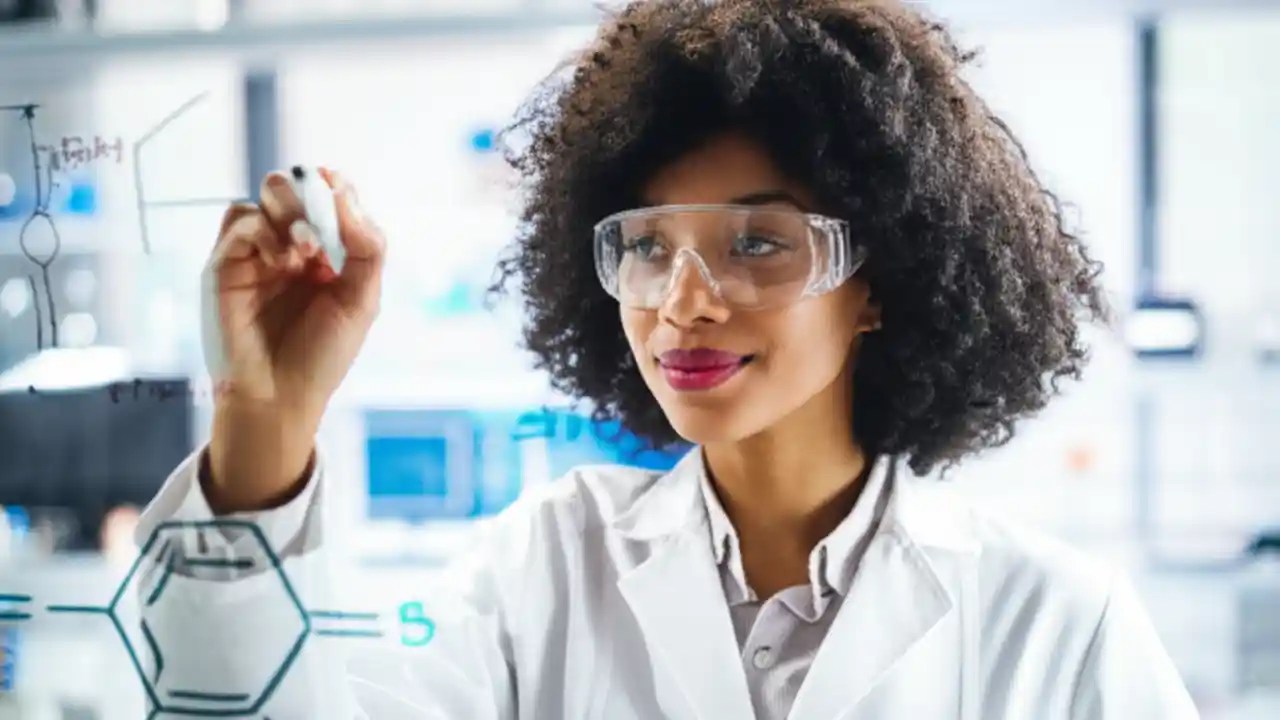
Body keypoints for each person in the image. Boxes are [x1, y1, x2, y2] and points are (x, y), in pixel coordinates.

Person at [135, 0, 1199, 717]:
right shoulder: (545, 568)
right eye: (647, 246)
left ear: (879, 281)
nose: (683, 301)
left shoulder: (1053, 621)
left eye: (757, 242)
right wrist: (264, 417)